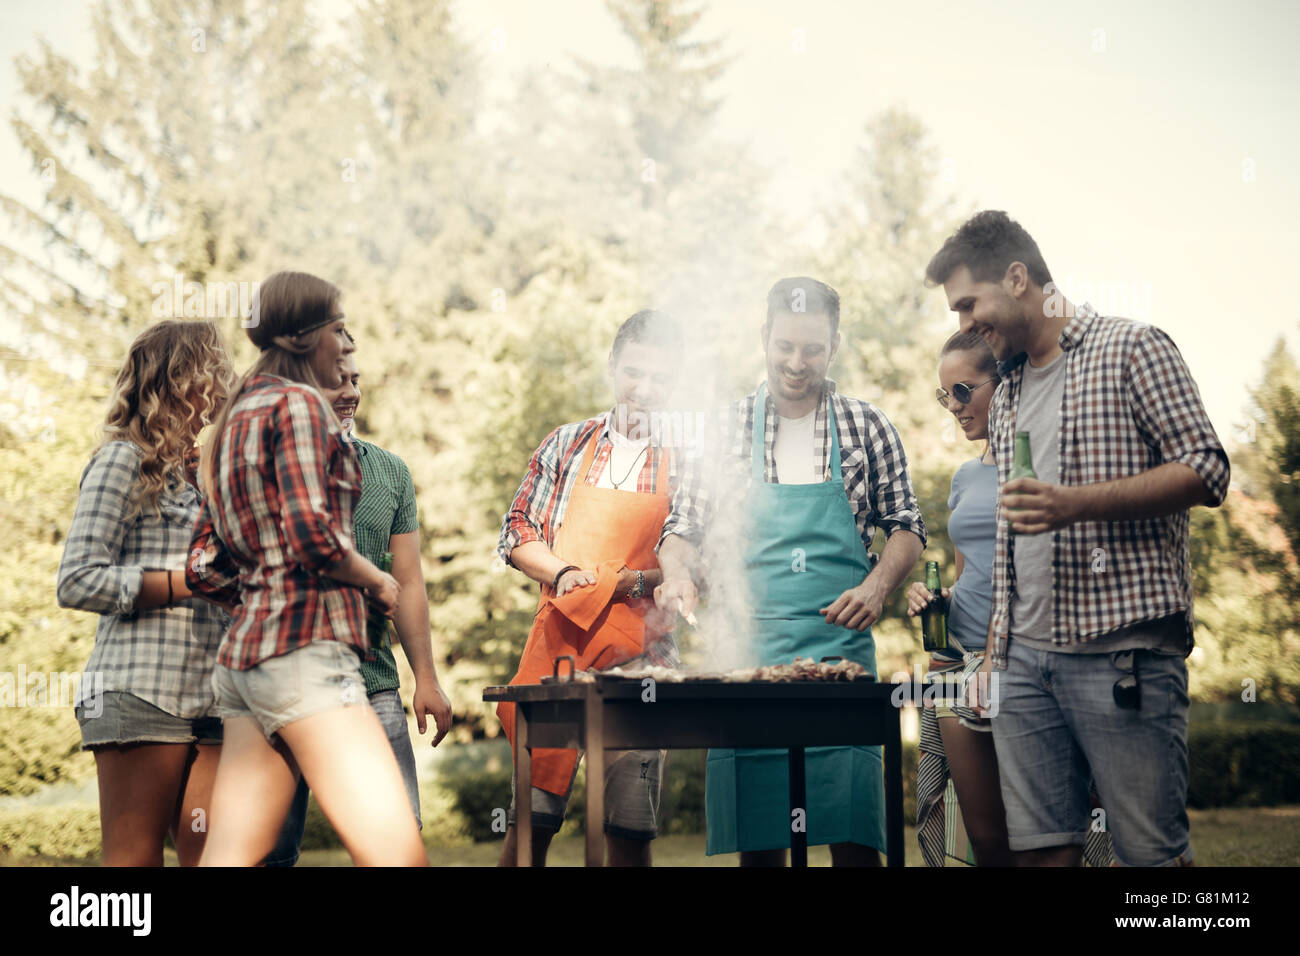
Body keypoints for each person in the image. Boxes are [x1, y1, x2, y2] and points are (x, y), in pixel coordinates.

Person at [925, 210, 1230, 867]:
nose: (965, 324)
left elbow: (1208, 469)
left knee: (1148, 856)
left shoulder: (1134, 348)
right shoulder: (1005, 394)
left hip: (1121, 655)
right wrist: (994, 656)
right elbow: (1010, 545)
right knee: (1039, 855)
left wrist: (1074, 505)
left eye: (969, 304)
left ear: (1017, 276)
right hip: (1023, 666)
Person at [668, 277, 927, 867]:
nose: (796, 361)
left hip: (839, 653)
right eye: (785, 345)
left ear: (833, 346)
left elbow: (908, 527)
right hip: (750, 653)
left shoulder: (867, 425)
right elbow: (681, 529)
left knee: (854, 836)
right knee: (763, 841)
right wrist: (679, 572)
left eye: (812, 348)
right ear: (764, 336)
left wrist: (876, 585)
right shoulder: (723, 428)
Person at [187, 270, 426, 866]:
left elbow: (205, 568)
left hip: (246, 662)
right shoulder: (300, 407)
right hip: (305, 658)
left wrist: (268, 587)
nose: (349, 345)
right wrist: (376, 580)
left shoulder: (233, 419)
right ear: (301, 338)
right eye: (339, 329)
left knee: (229, 860)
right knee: (400, 856)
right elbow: (312, 536)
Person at [495, 309, 696, 867]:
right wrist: (562, 574)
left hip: (643, 664)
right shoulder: (567, 444)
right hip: (557, 656)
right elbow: (516, 533)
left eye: (660, 378)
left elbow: (697, 562)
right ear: (612, 366)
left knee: (628, 833)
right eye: (634, 372)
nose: (645, 389)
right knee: (530, 825)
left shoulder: (688, 459)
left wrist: (631, 581)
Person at [262, 344, 453, 866]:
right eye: (335, 381)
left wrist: (427, 680)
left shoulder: (390, 472)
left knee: (397, 843)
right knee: (270, 851)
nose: (350, 393)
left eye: (354, 379)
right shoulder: (269, 465)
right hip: (282, 684)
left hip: (372, 684)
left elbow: (408, 583)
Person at [56, 320, 235, 866]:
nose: (227, 381)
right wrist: (190, 583)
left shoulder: (205, 478)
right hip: (138, 691)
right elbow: (77, 579)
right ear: (184, 378)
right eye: (216, 368)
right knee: (132, 867)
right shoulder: (122, 460)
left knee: (217, 859)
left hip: (212, 698)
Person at [906, 330, 1013, 867]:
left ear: (1006, 380)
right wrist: (933, 598)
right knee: (985, 839)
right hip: (955, 661)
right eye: (944, 395)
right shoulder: (966, 476)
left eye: (964, 391)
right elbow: (970, 574)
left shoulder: (1043, 465)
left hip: (1018, 661)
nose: (953, 407)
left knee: (1043, 831)